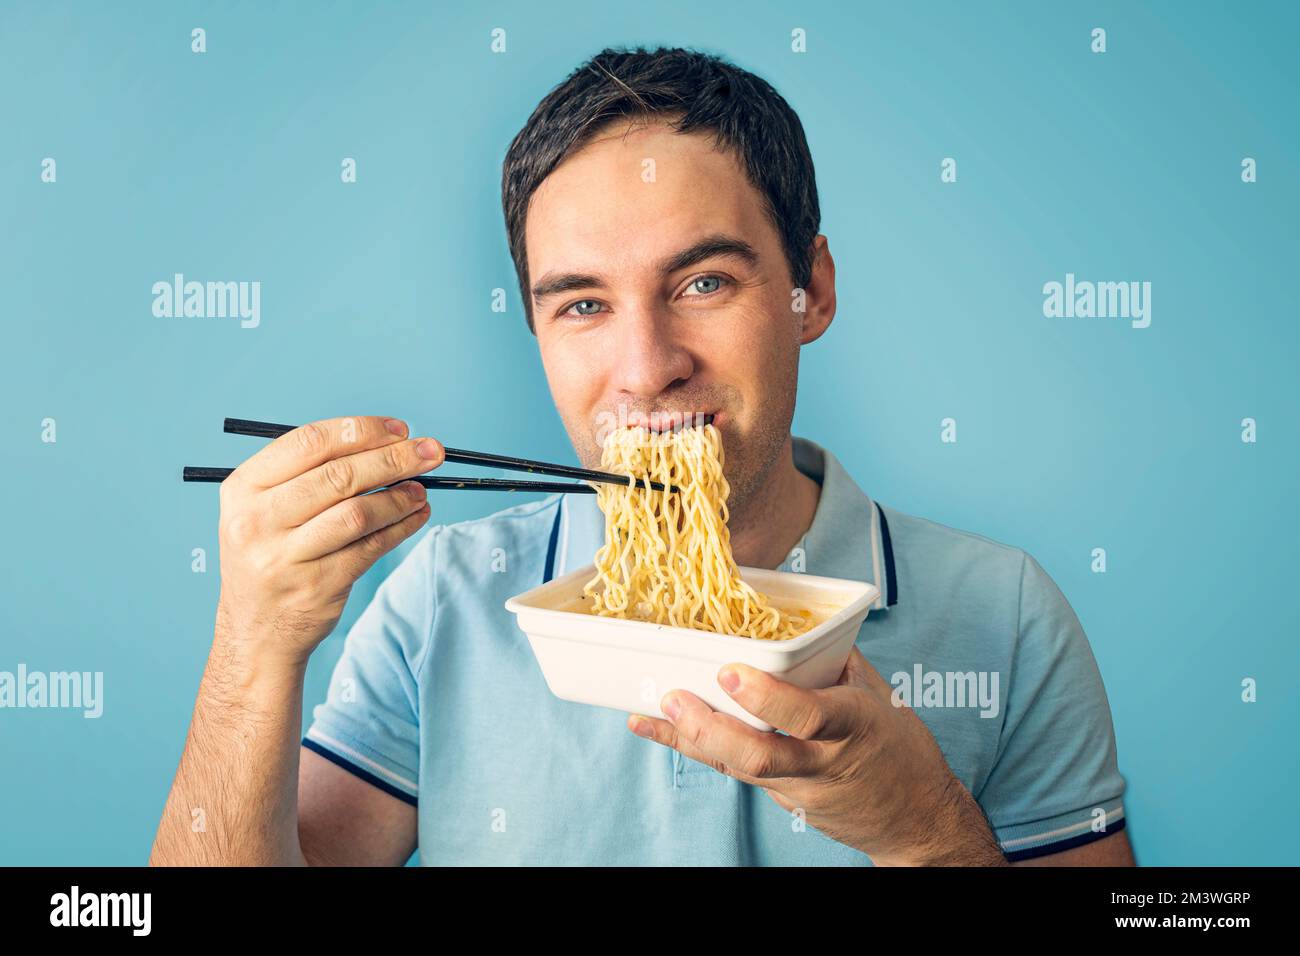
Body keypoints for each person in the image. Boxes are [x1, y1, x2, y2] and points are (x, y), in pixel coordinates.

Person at [150, 47, 1132, 866]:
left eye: (703, 281)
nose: (647, 365)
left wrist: (924, 831)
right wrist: (254, 641)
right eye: (581, 303)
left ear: (811, 291)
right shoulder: (443, 598)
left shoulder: (1002, 613)